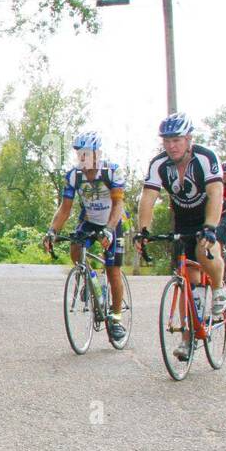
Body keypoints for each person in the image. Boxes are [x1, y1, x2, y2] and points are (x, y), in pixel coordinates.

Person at [135, 112, 226, 360]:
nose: (171, 145)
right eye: (166, 141)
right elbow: (148, 198)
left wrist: (210, 226)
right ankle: (188, 339)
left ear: (188, 139)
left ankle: (219, 288)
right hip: (182, 220)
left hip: (210, 213)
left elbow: (216, 192)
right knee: (188, 279)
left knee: (203, 251)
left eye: (176, 140)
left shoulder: (205, 157)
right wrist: (142, 231)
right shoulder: (159, 164)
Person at [44, 132, 128, 342]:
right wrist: (52, 231)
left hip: (113, 221)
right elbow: (65, 209)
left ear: (97, 154)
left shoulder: (112, 172)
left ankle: (116, 319)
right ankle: (90, 278)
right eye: (79, 154)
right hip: (90, 219)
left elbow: (118, 204)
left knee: (113, 270)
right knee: (75, 248)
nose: (82, 158)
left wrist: (109, 228)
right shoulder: (74, 176)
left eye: (86, 154)